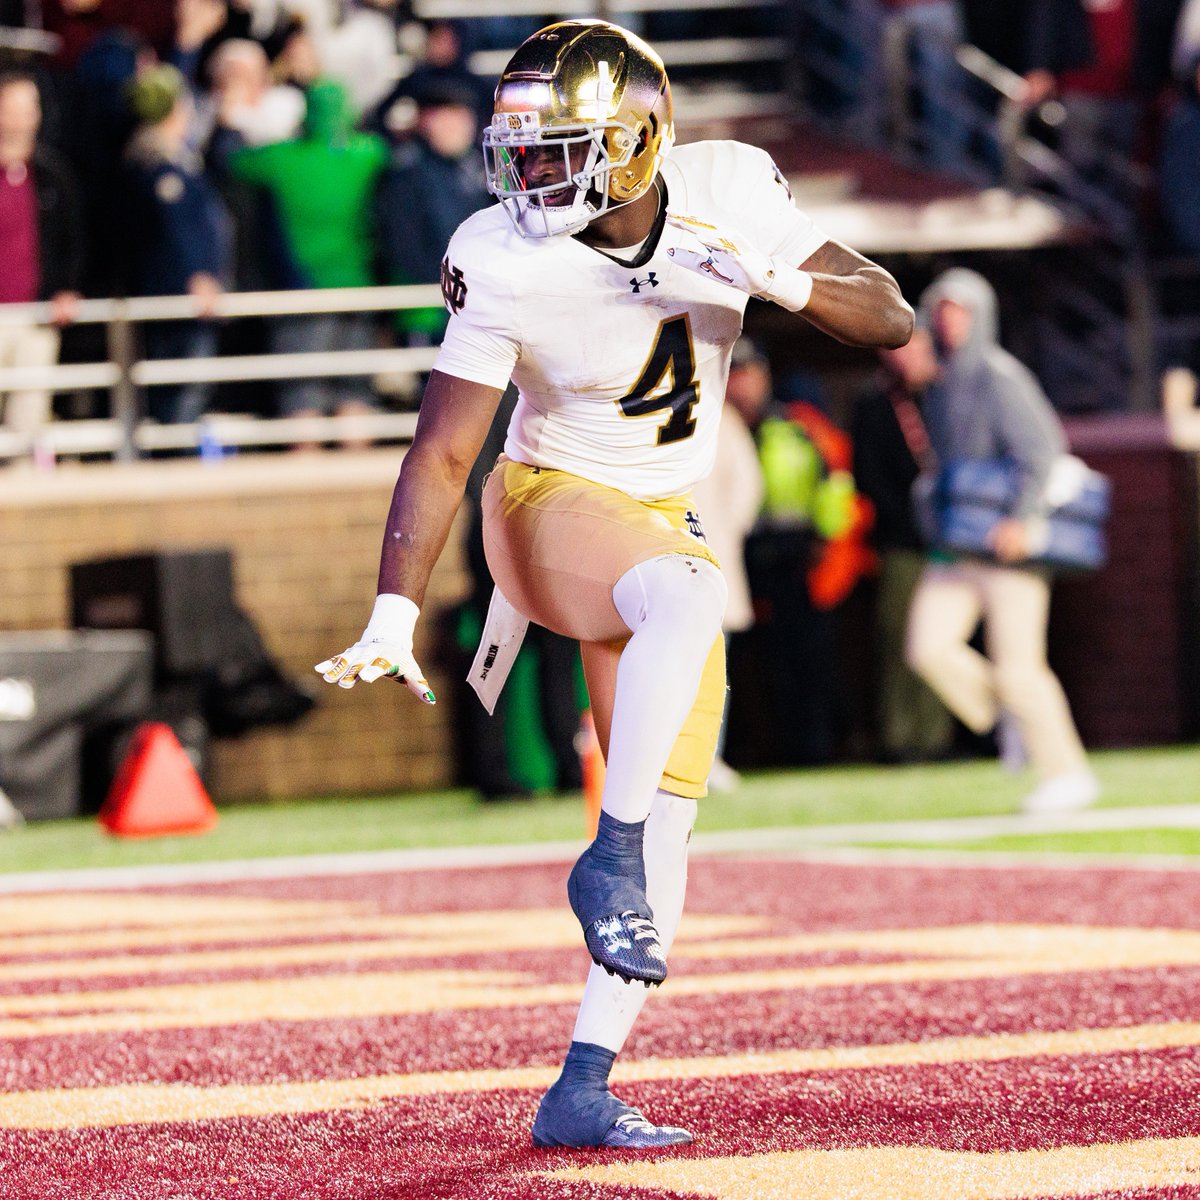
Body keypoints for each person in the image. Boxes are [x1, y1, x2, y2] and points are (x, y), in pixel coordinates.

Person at [315, 19, 912, 1149]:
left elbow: (890, 317)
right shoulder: (501, 255)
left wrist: (770, 277)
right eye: (520, 151)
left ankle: (583, 1082)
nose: (529, 176)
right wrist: (395, 605)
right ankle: (610, 849)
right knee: (686, 597)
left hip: (662, 520)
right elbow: (442, 450)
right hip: (544, 503)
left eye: (558, 149)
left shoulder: (727, 189)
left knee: (673, 819)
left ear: (637, 142)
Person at [904, 267, 1100, 814]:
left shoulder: (1000, 376)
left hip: (1008, 548)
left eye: (961, 311)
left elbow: (1043, 451)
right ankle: (1007, 716)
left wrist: (1023, 517)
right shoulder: (940, 383)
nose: (951, 321)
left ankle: (1067, 773)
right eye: (943, 310)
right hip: (959, 546)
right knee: (927, 648)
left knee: (1020, 667)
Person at [851, 327, 956, 762]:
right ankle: (899, 737)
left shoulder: (945, 397)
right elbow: (868, 475)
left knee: (942, 642)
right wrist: (907, 521)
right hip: (903, 542)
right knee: (900, 638)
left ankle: (938, 737)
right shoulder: (875, 404)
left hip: (949, 541)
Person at [123, 63, 231, 427]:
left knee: (187, 388)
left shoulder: (174, 159)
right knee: (180, 390)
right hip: (179, 300)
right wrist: (195, 275)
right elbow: (176, 228)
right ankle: (175, 453)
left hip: (184, 296)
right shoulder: (157, 165)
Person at [0, 70, 83, 440]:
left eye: (27, 109)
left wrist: (66, 289)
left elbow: (73, 240)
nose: (19, 119)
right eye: (11, 108)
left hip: (35, 316)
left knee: (28, 421)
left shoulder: (53, 176)